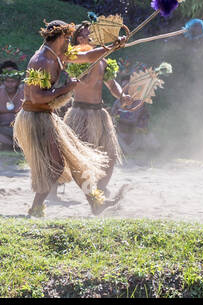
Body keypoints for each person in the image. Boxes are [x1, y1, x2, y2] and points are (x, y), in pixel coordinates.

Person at [11, 20, 126, 217]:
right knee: (55, 168)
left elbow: (88, 56)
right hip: (35, 118)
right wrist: (67, 88)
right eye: (67, 38)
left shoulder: (58, 54)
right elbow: (37, 96)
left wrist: (112, 47)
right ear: (59, 37)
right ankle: (36, 208)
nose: (70, 42)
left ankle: (95, 202)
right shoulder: (42, 61)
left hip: (45, 116)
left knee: (77, 161)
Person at [63, 22, 134, 196]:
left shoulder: (102, 60)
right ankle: (70, 188)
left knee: (109, 154)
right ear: (80, 38)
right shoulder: (76, 57)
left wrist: (121, 96)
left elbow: (111, 83)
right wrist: (111, 47)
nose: (95, 35)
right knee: (81, 155)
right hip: (80, 113)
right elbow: (84, 80)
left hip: (99, 113)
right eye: (90, 34)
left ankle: (101, 188)